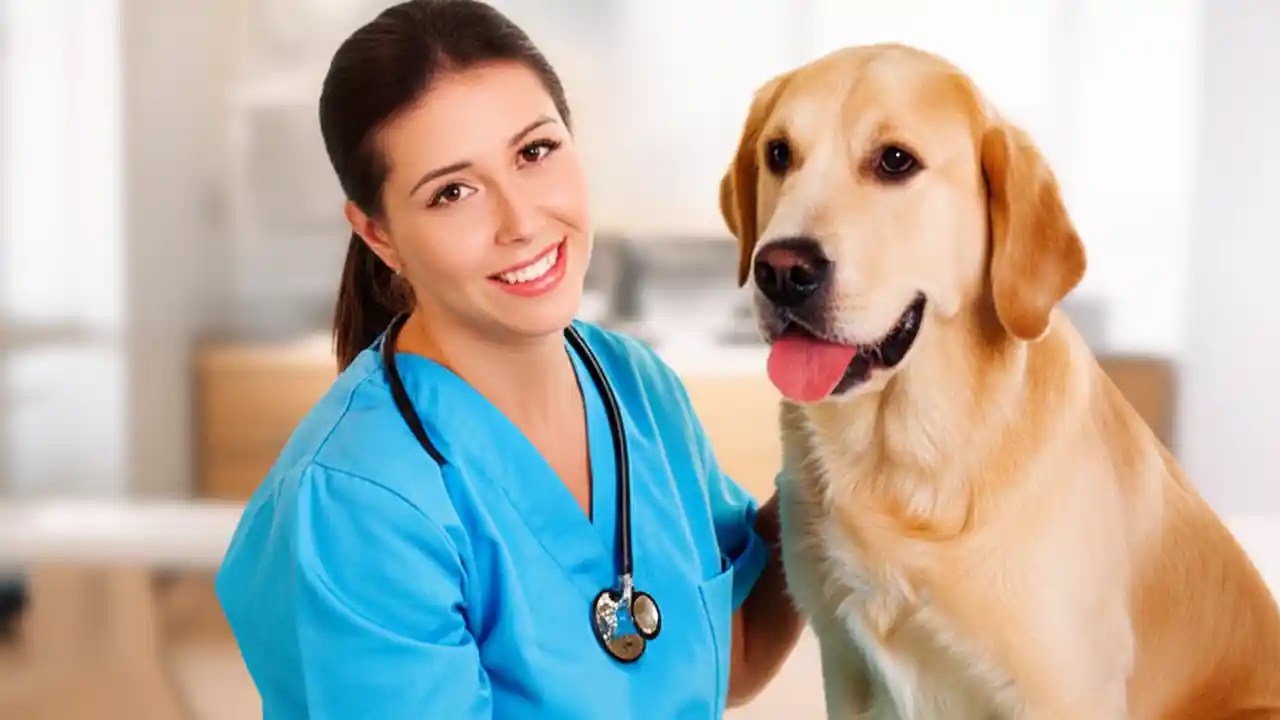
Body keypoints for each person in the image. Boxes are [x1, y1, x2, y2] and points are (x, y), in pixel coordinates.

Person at [214, 1, 803, 717]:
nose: (521, 222)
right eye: (452, 192)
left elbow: (730, 659)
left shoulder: (636, 388)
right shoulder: (362, 501)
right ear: (379, 234)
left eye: (534, 152)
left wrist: (834, 479)